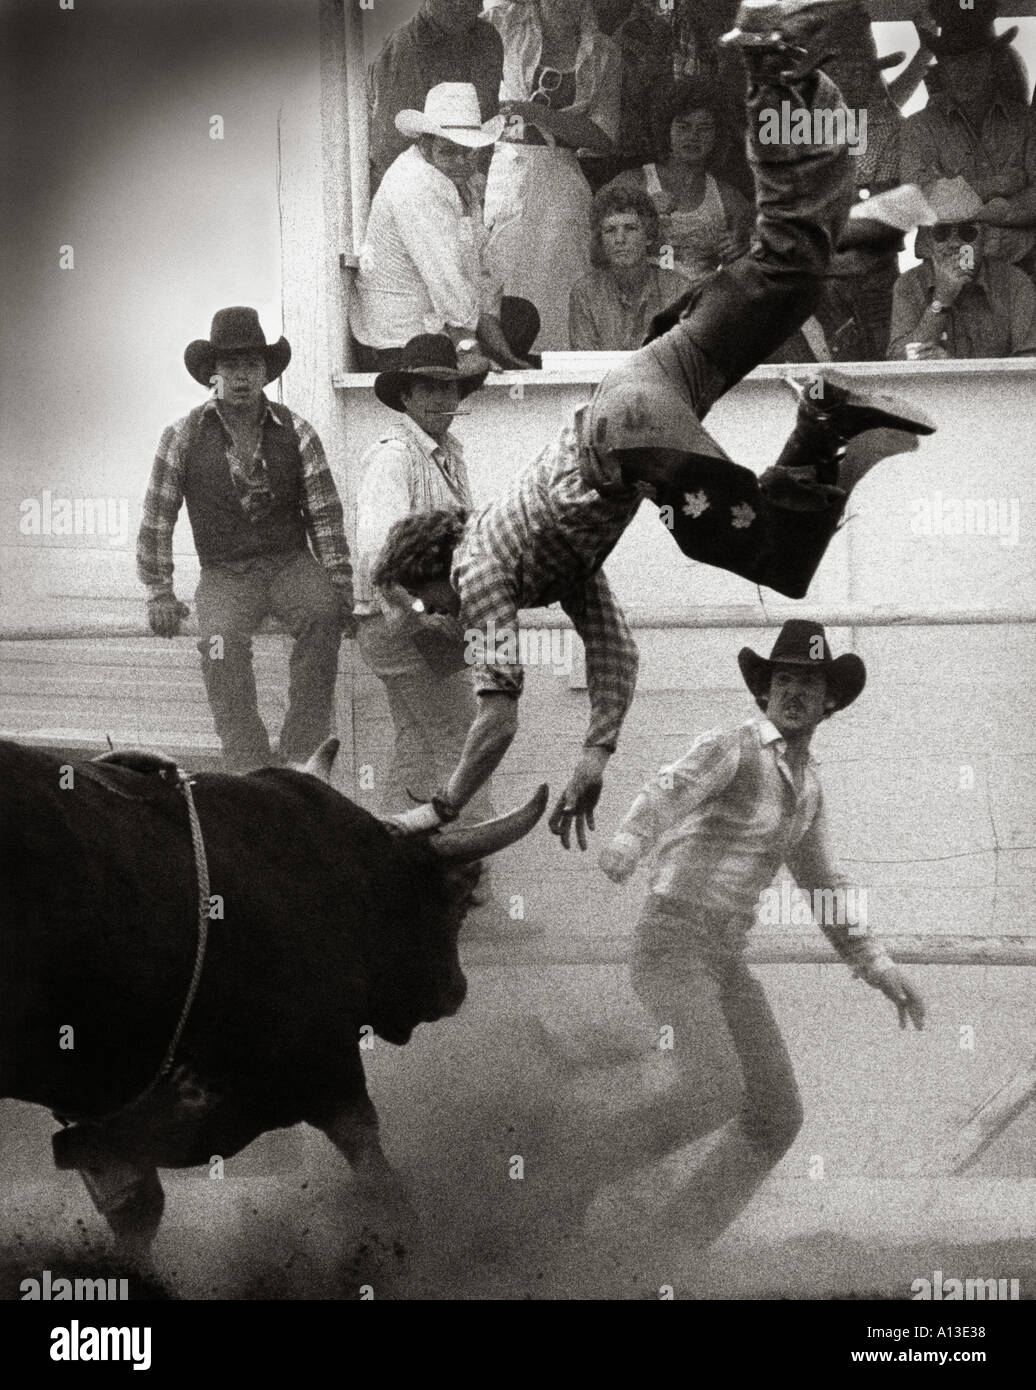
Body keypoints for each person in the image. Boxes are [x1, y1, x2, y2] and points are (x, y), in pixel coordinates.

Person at [373, 0, 938, 852]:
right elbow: (615, 651)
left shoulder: (480, 571)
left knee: (772, 558)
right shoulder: (542, 562)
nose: (446, 622)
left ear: (436, 584)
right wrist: (598, 752)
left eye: (435, 609)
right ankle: (782, 60)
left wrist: (442, 808)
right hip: (646, 380)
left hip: (631, 425)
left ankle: (824, 424)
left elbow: (497, 718)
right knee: (789, 263)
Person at [581, 621, 926, 1245]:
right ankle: (578, 1169)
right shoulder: (734, 747)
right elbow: (668, 790)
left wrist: (880, 967)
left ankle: (664, 1252)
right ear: (766, 692)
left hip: (723, 959)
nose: (794, 692)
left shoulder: (810, 788)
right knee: (715, 1086)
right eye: (784, 678)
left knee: (777, 1115)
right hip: (673, 940)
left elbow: (821, 882)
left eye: (810, 682)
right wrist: (628, 846)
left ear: (830, 702)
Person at [354, 333, 541, 938]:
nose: (440, 398)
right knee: (467, 747)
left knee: (415, 747)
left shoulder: (448, 452)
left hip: (429, 623)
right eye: (427, 387)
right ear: (404, 394)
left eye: (449, 387)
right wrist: (413, 607)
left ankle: (375, 882)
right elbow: (375, 551)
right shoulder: (395, 455)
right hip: (400, 623)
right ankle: (479, 903)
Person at [136, 308, 355, 772]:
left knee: (323, 614)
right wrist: (160, 591)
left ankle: (299, 753)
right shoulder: (182, 436)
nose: (241, 377)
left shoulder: (298, 432)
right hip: (225, 574)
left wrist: (339, 585)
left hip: (289, 563)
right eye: (231, 366)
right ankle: (248, 760)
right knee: (218, 640)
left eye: (251, 366)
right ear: (213, 374)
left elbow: (325, 515)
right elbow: (158, 516)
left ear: (265, 373)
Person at [350, 83, 534, 373]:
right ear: (425, 144)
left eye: (469, 152)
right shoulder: (416, 185)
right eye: (449, 152)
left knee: (520, 316)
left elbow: (479, 274)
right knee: (489, 335)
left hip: (437, 324)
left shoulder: (460, 183)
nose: (461, 162)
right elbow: (446, 277)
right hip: (399, 344)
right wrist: (469, 350)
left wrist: (503, 352)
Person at [484, 0, 622, 349]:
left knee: (562, 282)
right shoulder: (502, 22)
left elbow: (603, 137)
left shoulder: (604, 51)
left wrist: (536, 114)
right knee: (502, 270)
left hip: (561, 178)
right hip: (503, 167)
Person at [901, 3, 1036, 277]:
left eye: (974, 60)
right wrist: (1001, 186)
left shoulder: (1027, 123)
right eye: (953, 62)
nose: (963, 72)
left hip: (1024, 272)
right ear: (942, 68)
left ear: (993, 62)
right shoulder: (918, 129)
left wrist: (1001, 210)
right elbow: (923, 203)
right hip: (943, 278)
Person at [601, 81, 753, 291]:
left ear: (717, 136)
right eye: (683, 127)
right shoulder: (634, 182)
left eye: (704, 128)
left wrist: (745, 244)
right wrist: (639, 216)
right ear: (667, 130)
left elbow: (768, 245)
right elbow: (595, 248)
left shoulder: (727, 197)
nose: (693, 136)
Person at [366, 0, 504, 193]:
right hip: (412, 191)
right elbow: (390, 156)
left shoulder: (489, 39)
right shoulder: (404, 48)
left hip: (466, 186)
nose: (460, 3)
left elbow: (486, 123)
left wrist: (476, 189)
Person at [888, 180, 1036, 360]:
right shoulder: (910, 284)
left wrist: (956, 371)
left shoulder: (1014, 283)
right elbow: (900, 359)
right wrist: (941, 301)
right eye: (941, 232)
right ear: (928, 240)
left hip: (993, 388)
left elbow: (1029, 364)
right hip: (933, 388)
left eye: (967, 232)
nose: (955, 243)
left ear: (985, 236)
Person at [568, 185, 694, 350]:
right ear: (601, 241)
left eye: (630, 228)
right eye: (610, 230)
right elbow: (584, 363)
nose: (620, 239)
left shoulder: (679, 289)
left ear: (648, 236)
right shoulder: (585, 293)